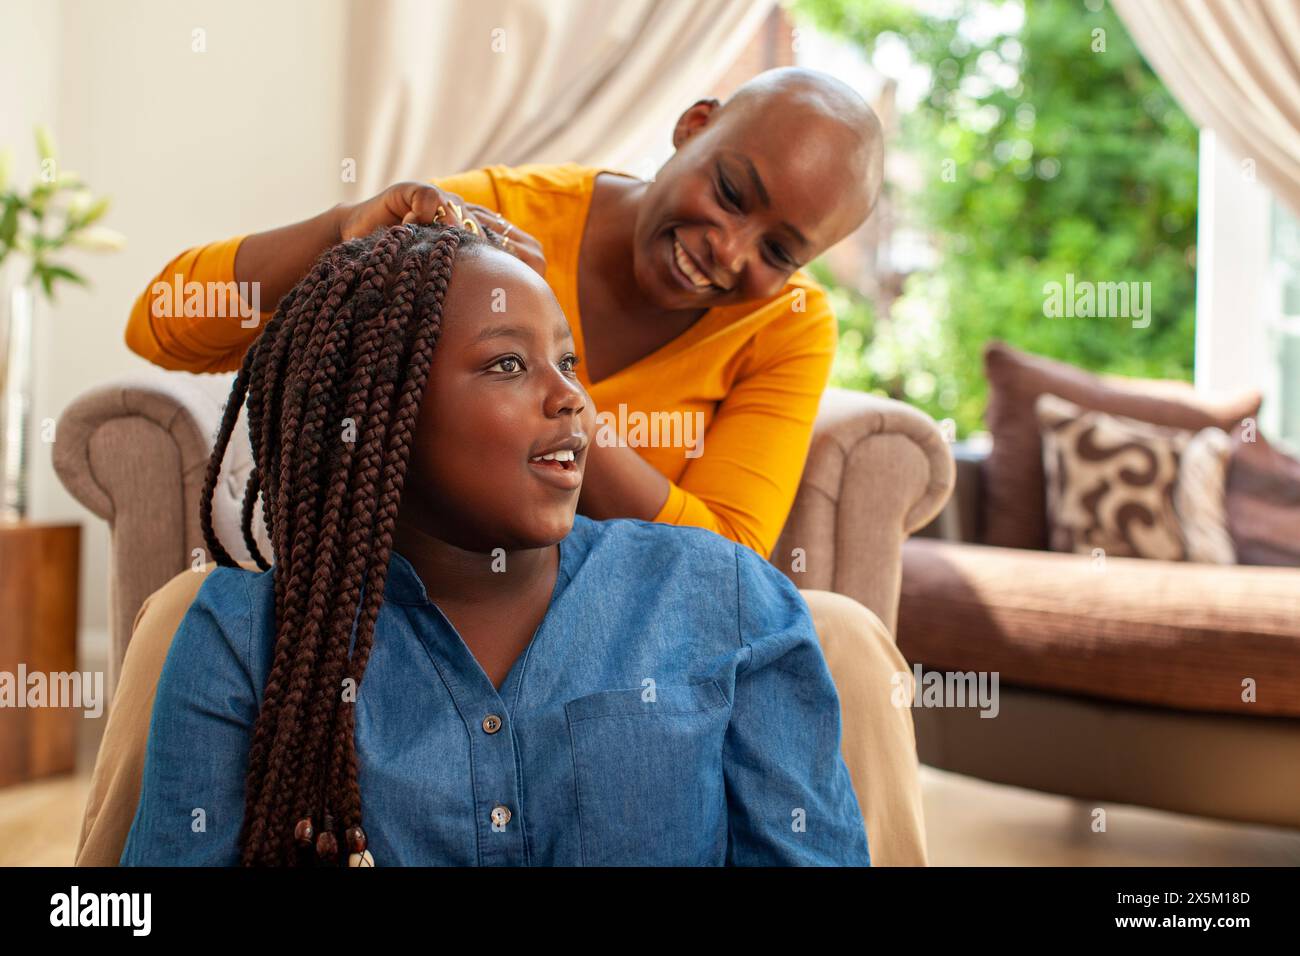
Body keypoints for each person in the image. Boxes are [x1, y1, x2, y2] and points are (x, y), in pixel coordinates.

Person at [91, 66, 928, 865]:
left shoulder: (785, 325)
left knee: (842, 636)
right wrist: (342, 230)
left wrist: (557, 402)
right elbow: (163, 322)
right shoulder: (490, 221)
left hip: (642, 609)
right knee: (184, 614)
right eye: (732, 193)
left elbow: (730, 558)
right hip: (426, 575)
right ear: (693, 127)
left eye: (779, 251)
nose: (729, 248)